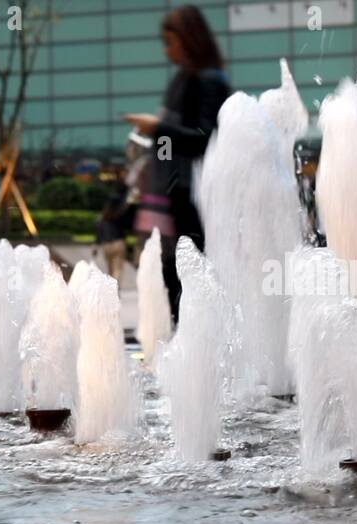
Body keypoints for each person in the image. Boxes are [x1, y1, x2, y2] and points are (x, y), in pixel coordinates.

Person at [123, 4, 231, 319]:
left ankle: (199, 346)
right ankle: (184, 347)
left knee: (189, 273)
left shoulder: (209, 82)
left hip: (194, 196)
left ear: (190, 40)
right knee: (175, 275)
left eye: (171, 42)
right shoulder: (184, 80)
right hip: (175, 194)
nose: (167, 51)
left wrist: (157, 128)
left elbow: (204, 138)